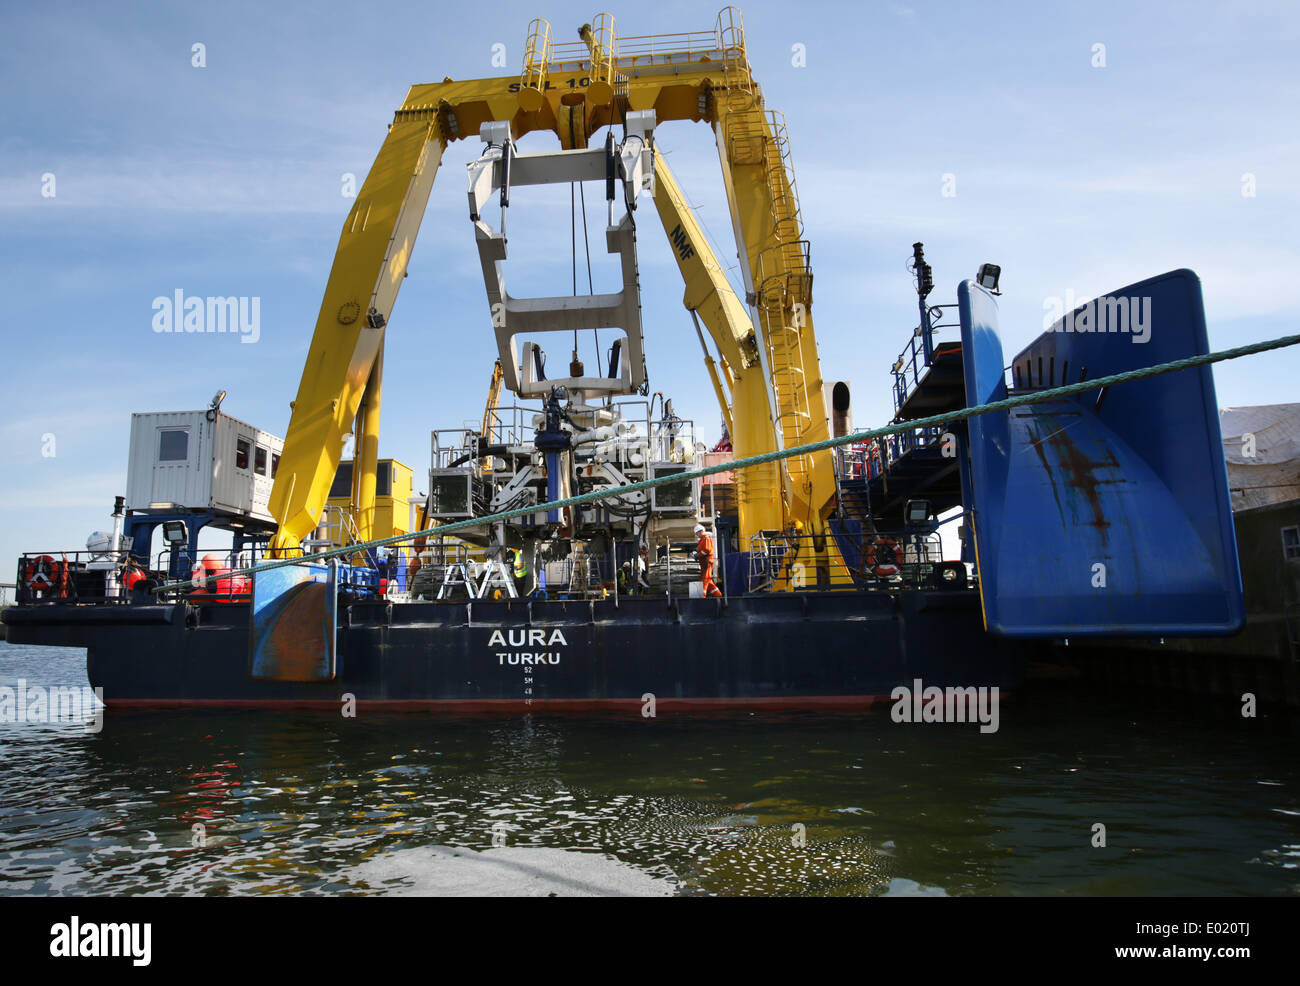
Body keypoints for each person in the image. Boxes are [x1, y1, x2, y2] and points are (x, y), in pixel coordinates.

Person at [693, 523, 723, 598]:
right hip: (705, 562)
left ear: (701, 531)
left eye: (697, 533)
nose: (697, 535)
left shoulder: (705, 538)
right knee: (708, 580)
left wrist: (698, 555)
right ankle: (718, 595)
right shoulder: (703, 539)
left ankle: (702, 596)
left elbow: (706, 550)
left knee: (705, 579)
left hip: (707, 562)